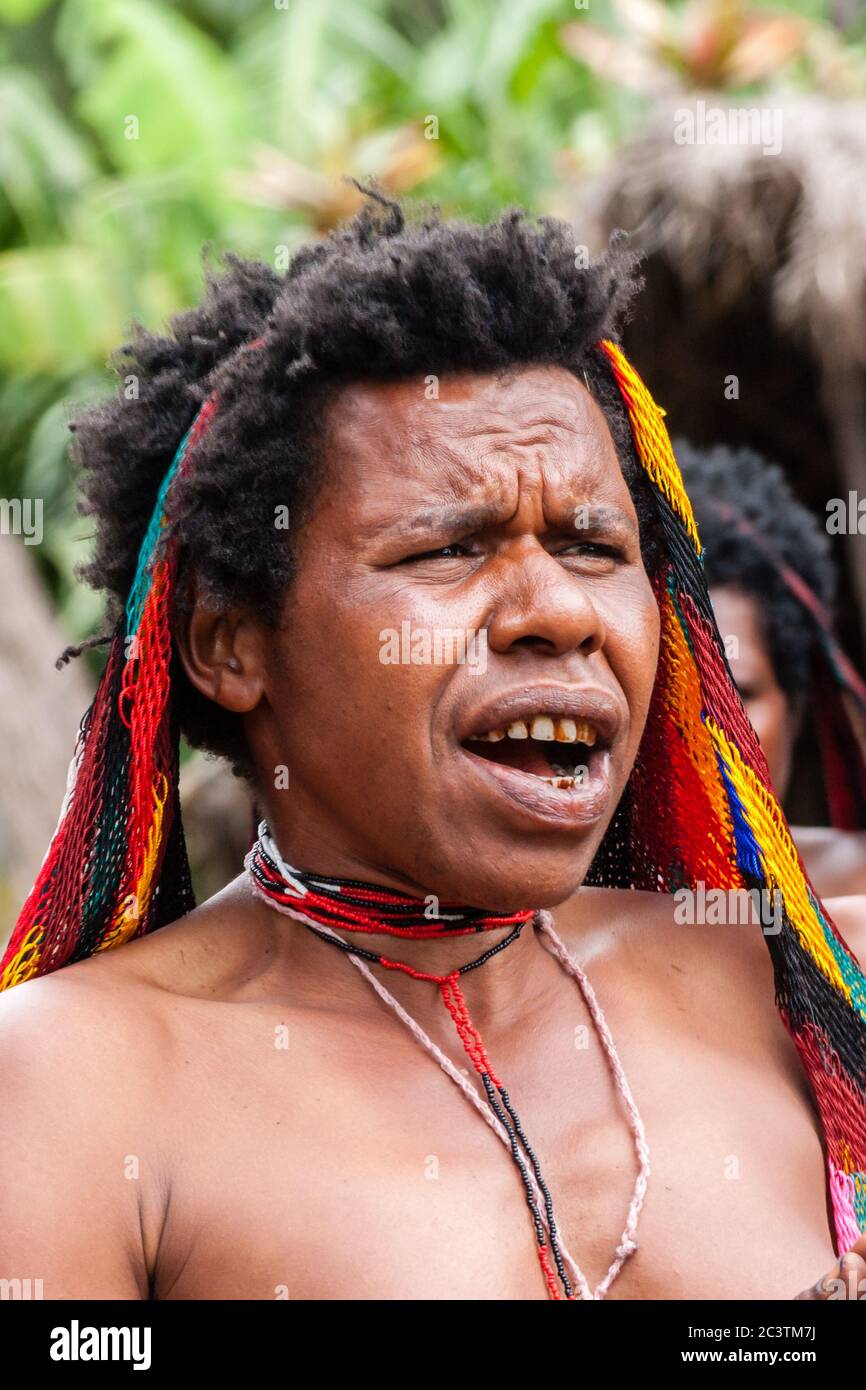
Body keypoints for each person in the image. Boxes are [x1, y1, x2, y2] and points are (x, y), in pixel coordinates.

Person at [0, 195, 864, 1302]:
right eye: (449, 547)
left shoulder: (800, 983)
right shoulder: (70, 1089)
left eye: (594, 544)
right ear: (228, 643)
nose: (556, 610)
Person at [677, 441, 866, 899]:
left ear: (795, 710)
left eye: (737, 694)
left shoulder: (857, 890)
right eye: (669, 694)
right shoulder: (539, 923)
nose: (701, 729)